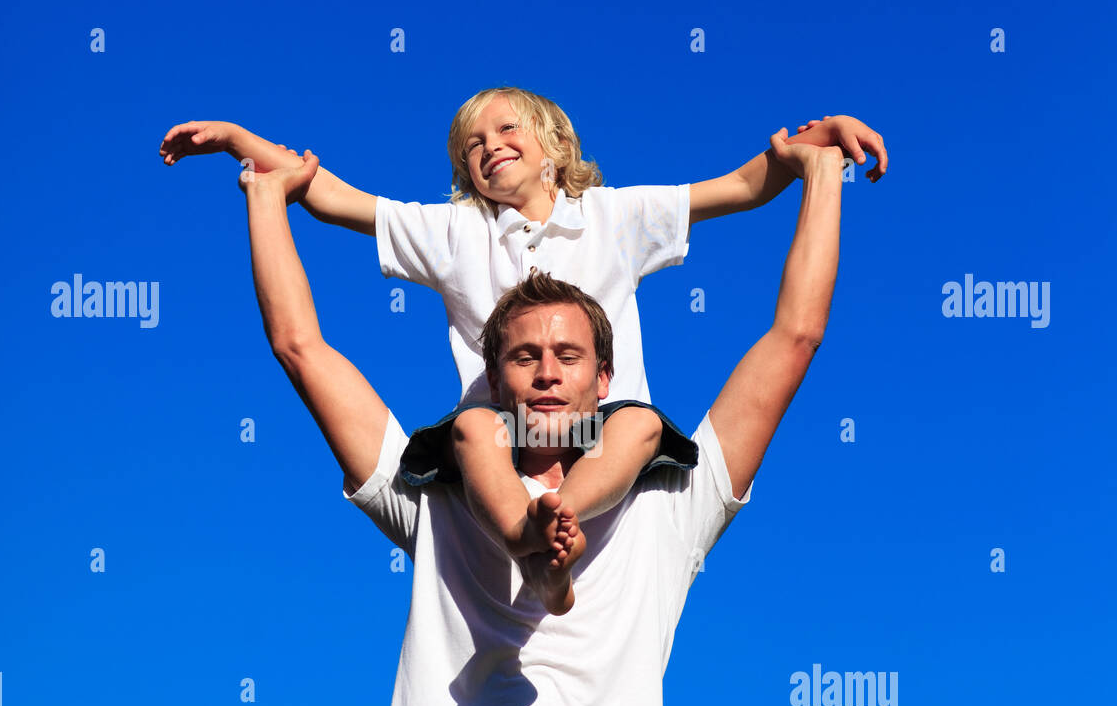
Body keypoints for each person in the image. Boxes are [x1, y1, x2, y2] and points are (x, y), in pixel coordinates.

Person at [232, 125, 856, 706]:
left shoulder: (667, 500)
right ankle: (532, 543)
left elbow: (793, 337)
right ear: (495, 379)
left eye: (570, 353)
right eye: (523, 355)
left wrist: (820, 175)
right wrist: (265, 195)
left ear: (603, 379)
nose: (548, 368)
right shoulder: (434, 495)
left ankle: (543, 544)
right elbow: (300, 346)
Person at [160, 93, 886, 615]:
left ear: (554, 149)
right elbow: (327, 194)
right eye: (470, 145)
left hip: (597, 432)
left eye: (506, 129)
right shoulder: (453, 230)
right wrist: (236, 140)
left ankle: (558, 521)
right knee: (471, 426)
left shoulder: (613, 215)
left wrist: (812, 146)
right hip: (505, 441)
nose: (487, 146)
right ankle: (527, 541)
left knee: (639, 426)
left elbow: (740, 184)